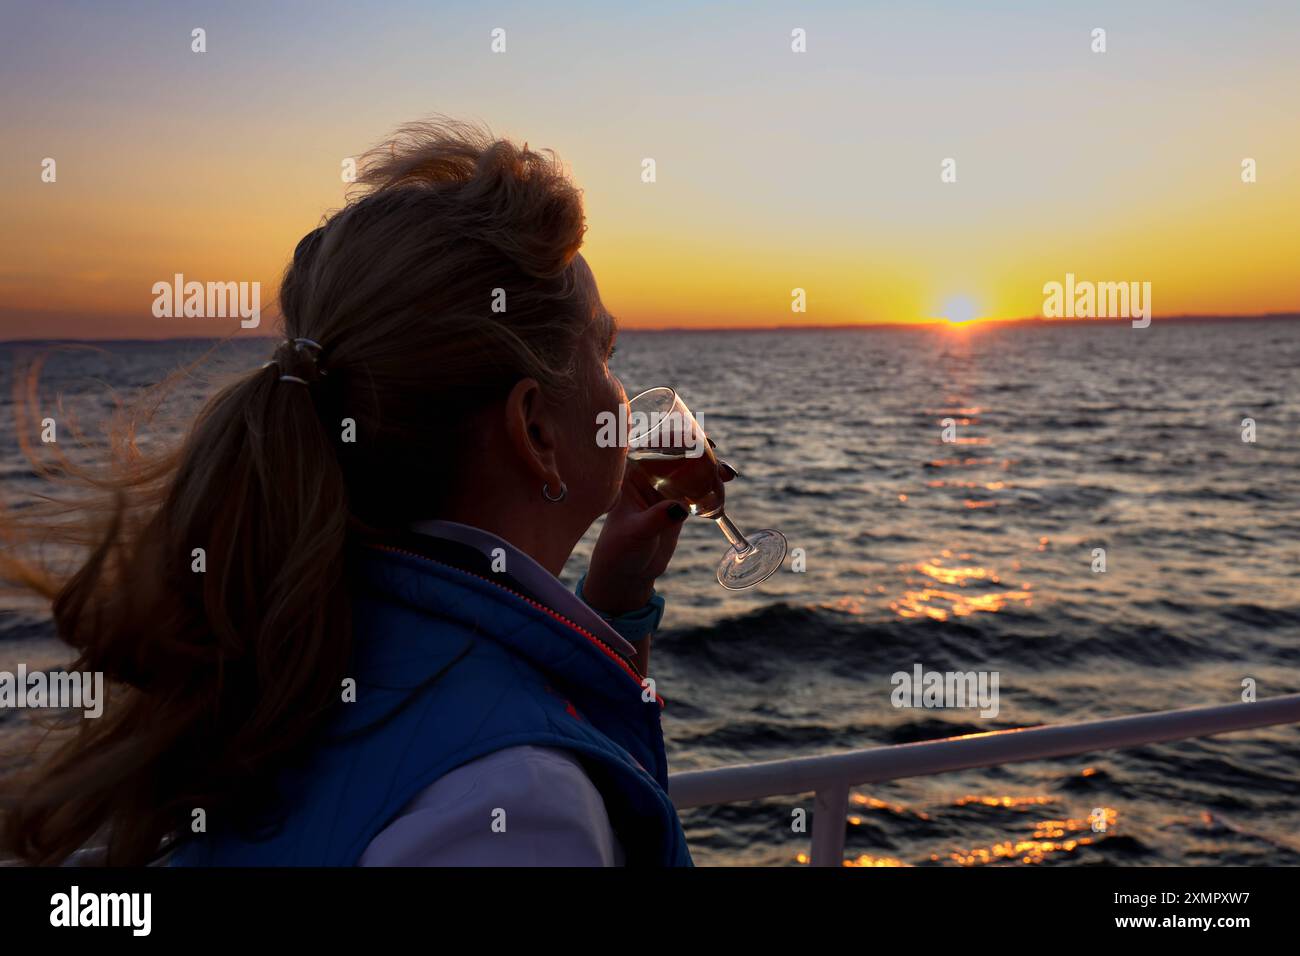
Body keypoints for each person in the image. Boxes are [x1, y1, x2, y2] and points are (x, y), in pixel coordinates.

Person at [1, 117, 732, 866]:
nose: (621, 390)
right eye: (605, 352)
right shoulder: (518, 807)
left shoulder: (301, 639)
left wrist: (616, 607)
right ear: (536, 432)